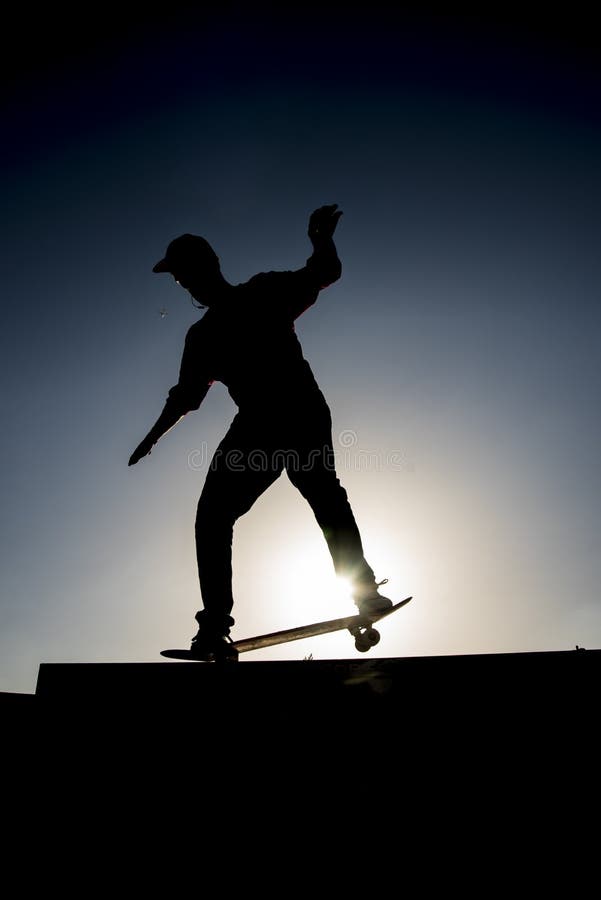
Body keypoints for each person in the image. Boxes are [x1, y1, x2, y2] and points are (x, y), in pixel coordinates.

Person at [129, 204, 391, 659]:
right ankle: (214, 628)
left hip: (294, 412)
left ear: (207, 267)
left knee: (322, 493)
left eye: (186, 275)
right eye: (179, 279)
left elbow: (324, 270)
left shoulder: (264, 292)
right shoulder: (203, 335)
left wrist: (320, 238)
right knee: (215, 515)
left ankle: (364, 592)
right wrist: (153, 436)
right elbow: (187, 397)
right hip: (260, 424)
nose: (184, 284)